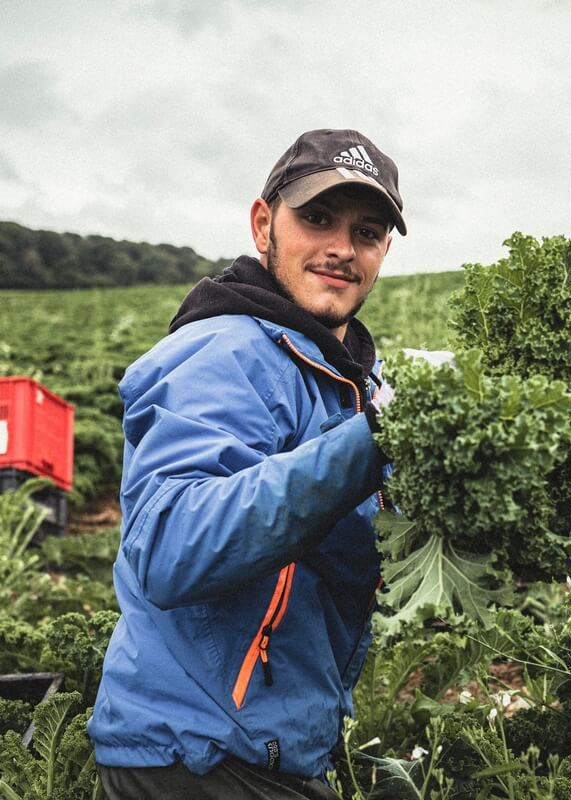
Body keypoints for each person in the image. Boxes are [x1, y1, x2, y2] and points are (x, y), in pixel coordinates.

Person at [88, 128, 406, 799]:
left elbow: (342, 561)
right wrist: (367, 442)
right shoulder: (222, 352)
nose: (341, 248)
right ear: (265, 222)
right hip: (192, 755)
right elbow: (171, 545)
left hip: (262, 749)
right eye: (316, 218)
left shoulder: (343, 378)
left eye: (368, 232)